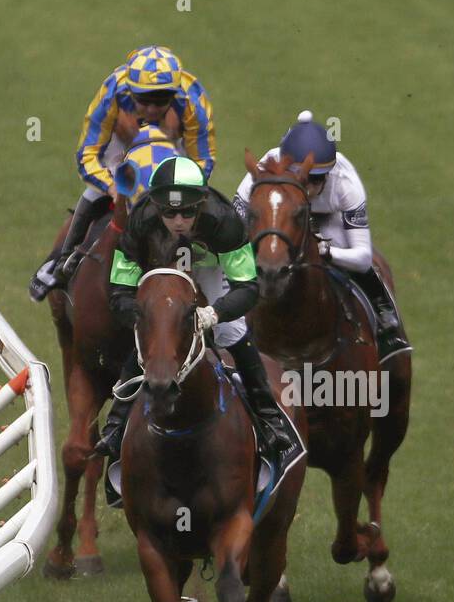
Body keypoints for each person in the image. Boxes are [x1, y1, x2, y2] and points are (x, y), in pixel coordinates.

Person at [93, 157, 302, 502]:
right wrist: (144, 319)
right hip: (162, 271)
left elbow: (248, 287)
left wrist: (215, 313)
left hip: (211, 270)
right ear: (156, 207)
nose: (178, 222)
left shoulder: (224, 221)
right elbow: (119, 288)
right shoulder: (142, 220)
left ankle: (269, 421)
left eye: (187, 213)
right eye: (170, 213)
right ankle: (115, 430)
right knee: (155, 344)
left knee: (233, 333)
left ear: (202, 204)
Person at [29, 45, 216, 300]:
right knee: (94, 192)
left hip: (172, 144)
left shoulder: (193, 100)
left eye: (161, 101)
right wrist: (111, 187)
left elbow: (203, 161)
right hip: (124, 145)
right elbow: (87, 155)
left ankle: (216, 277)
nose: (152, 109)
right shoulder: (112, 93)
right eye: (144, 100)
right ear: (130, 91)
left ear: (173, 94)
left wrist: (184, 189)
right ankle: (62, 259)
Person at [234, 111, 409, 362]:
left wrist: (325, 251)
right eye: (300, 175)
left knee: (362, 265)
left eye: (316, 180)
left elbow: (361, 257)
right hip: (283, 218)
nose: (308, 187)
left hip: (329, 223)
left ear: (329, 174)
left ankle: (384, 314)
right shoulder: (266, 167)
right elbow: (235, 225)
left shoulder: (346, 184)